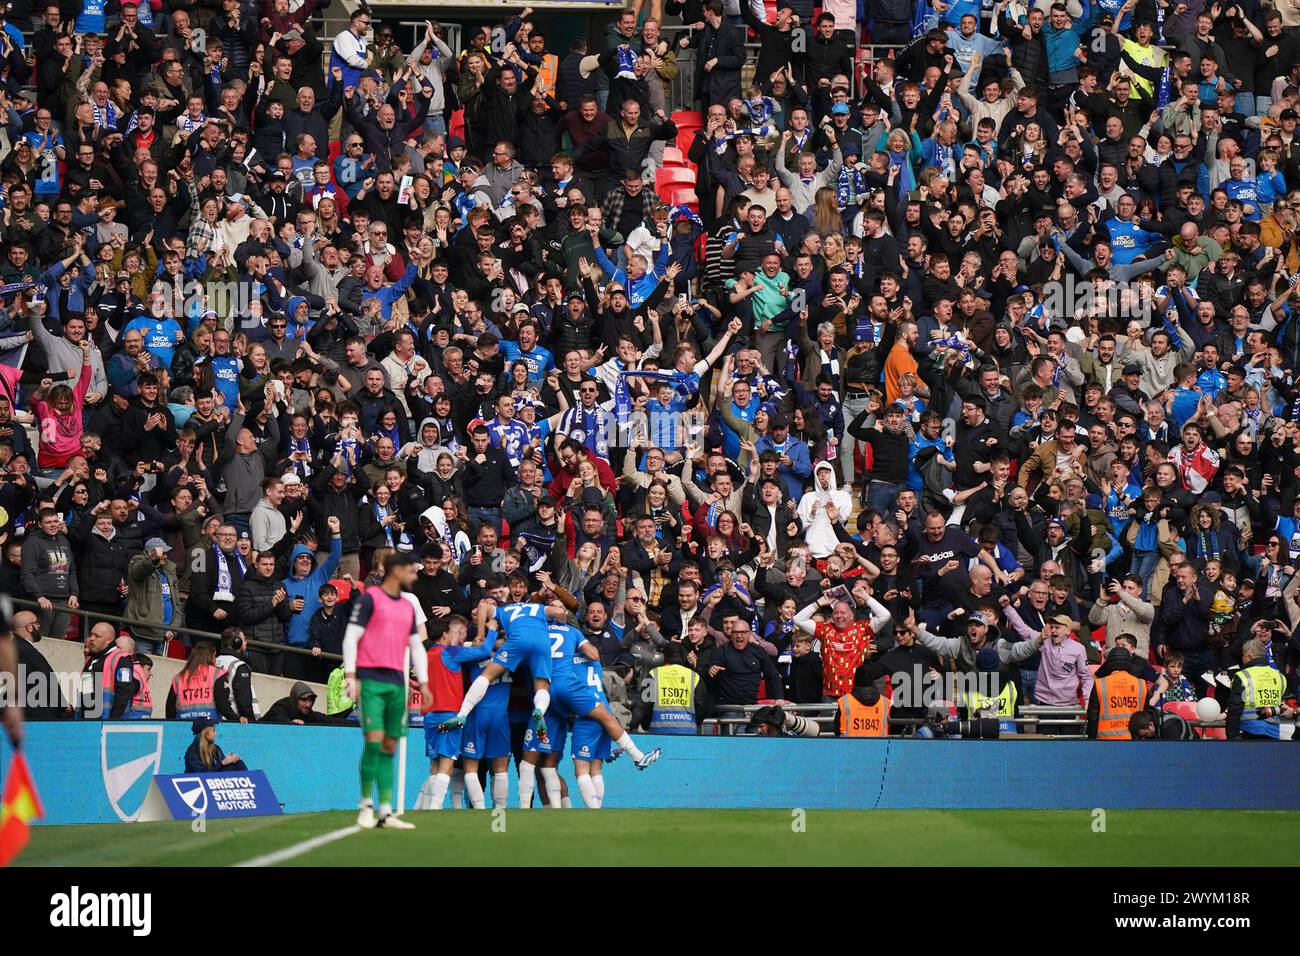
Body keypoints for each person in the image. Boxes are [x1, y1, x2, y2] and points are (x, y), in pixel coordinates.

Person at [342, 551, 431, 829]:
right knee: (374, 741)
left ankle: (385, 811)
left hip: (397, 683)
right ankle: (366, 804)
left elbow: (416, 645)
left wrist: (425, 682)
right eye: (411, 571)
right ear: (397, 572)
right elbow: (351, 637)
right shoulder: (370, 599)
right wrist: (351, 675)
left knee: (391, 744)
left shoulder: (408, 606)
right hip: (370, 679)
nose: (415, 576)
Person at [183, 717, 248, 773]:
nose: (216, 734)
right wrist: (223, 763)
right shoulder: (192, 751)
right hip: (199, 783)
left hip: (214, 780)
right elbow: (202, 774)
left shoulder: (216, 748)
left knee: (238, 763)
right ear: (204, 733)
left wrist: (229, 759)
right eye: (213, 731)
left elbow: (220, 767)